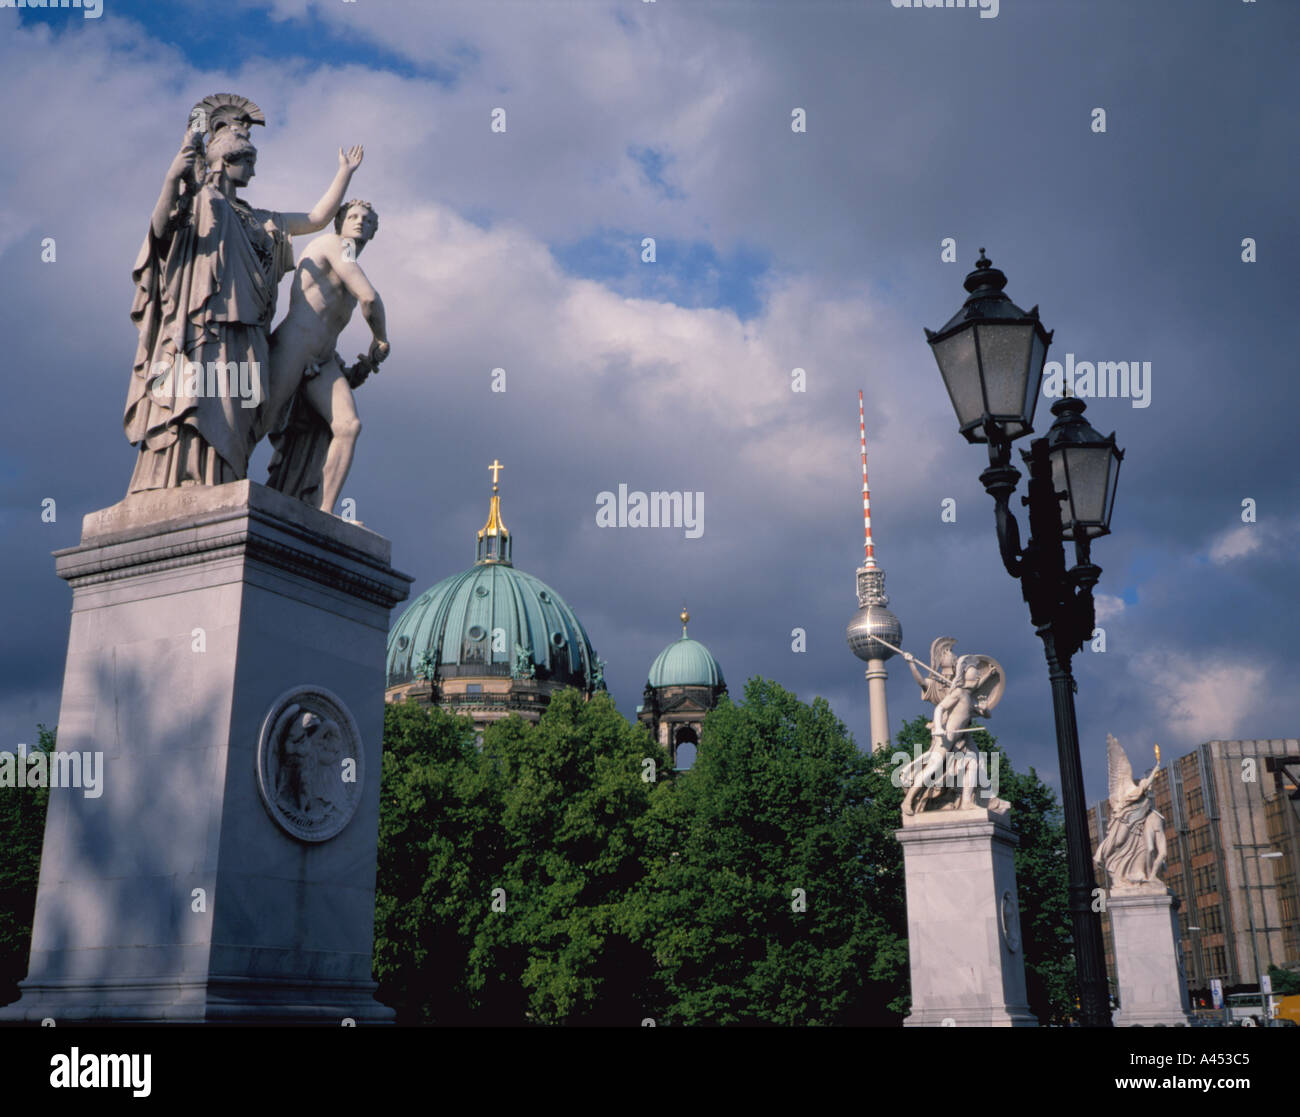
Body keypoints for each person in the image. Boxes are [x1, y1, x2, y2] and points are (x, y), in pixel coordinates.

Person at [123, 93, 365, 493]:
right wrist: (172, 178)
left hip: (250, 334)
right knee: (201, 400)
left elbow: (318, 218)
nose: (253, 173)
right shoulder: (202, 201)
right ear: (225, 159)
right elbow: (162, 229)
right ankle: (186, 479)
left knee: (238, 416)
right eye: (248, 163)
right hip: (206, 327)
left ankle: (224, 483)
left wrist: (345, 173)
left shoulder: (261, 219)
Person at [261, 199, 389, 513]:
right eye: (353, 216)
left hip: (323, 358)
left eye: (367, 220)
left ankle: (325, 511)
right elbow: (369, 298)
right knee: (259, 420)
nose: (360, 222)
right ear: (339, 222)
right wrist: (381, 339)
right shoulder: (333, 244)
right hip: (293, 346)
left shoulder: (349, 264)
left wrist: (360, 367)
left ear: (373, 233)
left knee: (348, 426)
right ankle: (226, 483)